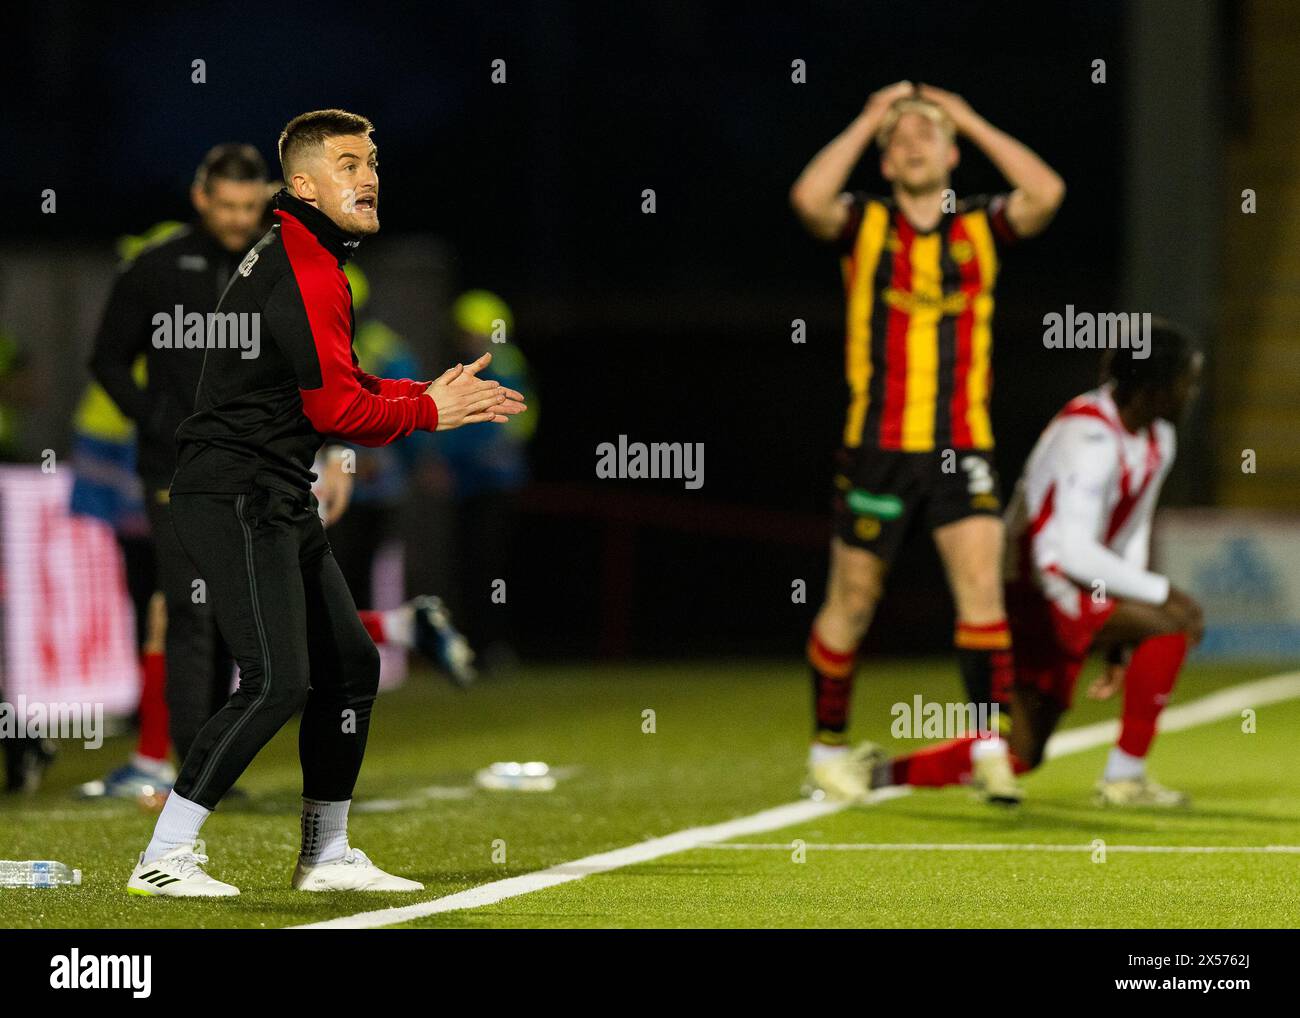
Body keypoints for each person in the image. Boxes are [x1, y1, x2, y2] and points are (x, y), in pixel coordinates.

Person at [126, 109, 525, 897]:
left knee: (349, 665)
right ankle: (163, 857)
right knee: (278, 679)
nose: (369, 176)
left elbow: (337, 390)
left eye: (372, 161)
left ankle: (325, 854)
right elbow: (339, 415)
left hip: (270, 491)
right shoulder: (305, 266)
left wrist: (423, 393)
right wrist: (426, 413)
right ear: (303, 184)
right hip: (236, 493)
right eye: (348, 164)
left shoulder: (304, 255)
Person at [789, 82, 1066, 801]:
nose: (911, 144)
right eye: (898, 139)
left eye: (926, 135)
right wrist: (865, 118)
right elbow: (808, 200)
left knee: (980, 592)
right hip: (876, 443)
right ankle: (827, 751)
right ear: (884, 163)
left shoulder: (980, 225)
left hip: (960, 444)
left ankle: (988, 748)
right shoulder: (866, 224)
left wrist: (970, 117)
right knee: (853, 597)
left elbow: (1047, 191)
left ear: (951, 154)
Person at [876, 321, 1205, 806]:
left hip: (1072, 584)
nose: (1191, 393)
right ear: (1154, 389)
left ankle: (881, 774)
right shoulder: (1089, 436)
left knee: (1021, 753)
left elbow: (1131, 532)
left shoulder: (1159, 438)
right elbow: (1067, 550)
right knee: (1177, 622)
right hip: (1035, 584)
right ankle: (1123, 779)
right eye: (1186, 381)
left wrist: (1133, 609)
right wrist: (1157, 596)